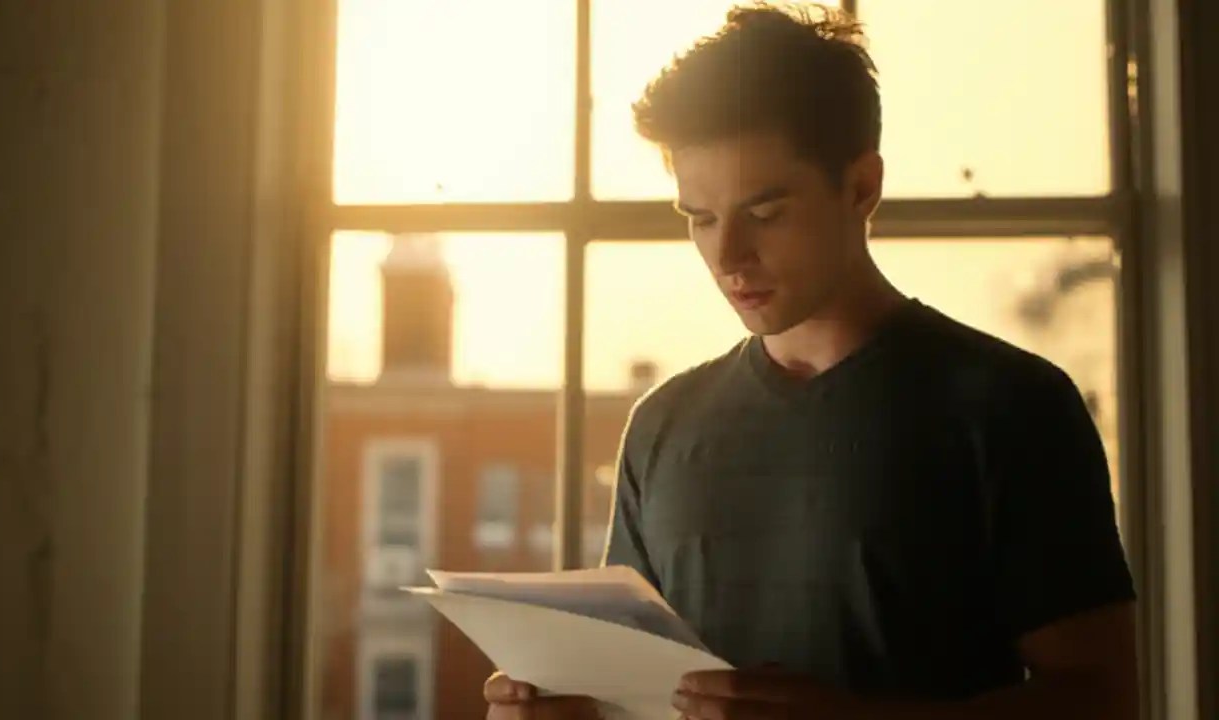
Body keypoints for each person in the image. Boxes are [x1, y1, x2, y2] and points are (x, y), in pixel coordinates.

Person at [485, 3, 1138, 718]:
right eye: (700, 219)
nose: (727, 257)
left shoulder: (1012, 406)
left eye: (764, 214)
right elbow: (632, 700)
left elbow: (1103, 700)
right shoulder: (662, 426)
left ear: (861, 187)